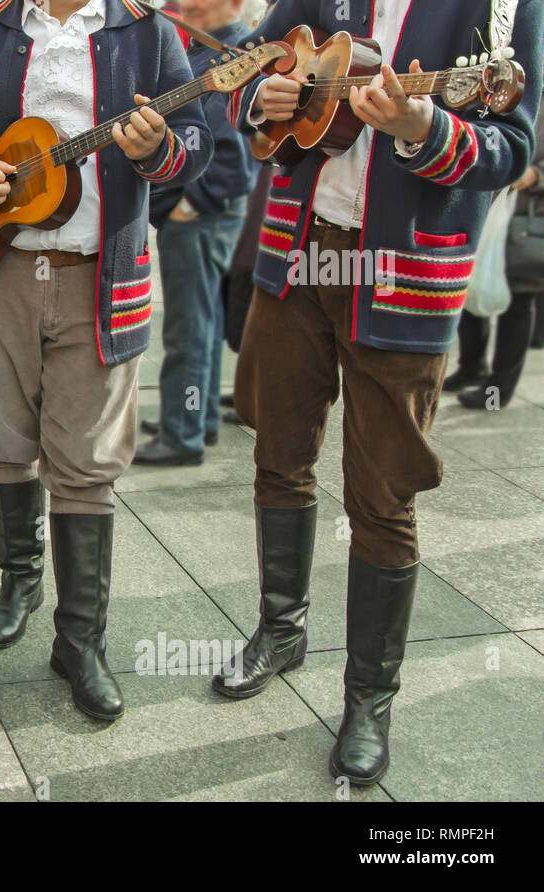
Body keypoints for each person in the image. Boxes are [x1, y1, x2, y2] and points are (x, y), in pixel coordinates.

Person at [214, 0, 542, 785]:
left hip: (404, 271)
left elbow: (514, 142)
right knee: (277, 455)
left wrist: (422, 129)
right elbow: (244, 70)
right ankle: (281, 629)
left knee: (384, 492)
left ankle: (369, 698)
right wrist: (265, 98)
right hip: (297, 251)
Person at [0, 0, 212, 721]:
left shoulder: (149, 30)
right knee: (2, 443)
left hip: (99, 275)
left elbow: (196, 145)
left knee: (87, 464)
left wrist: (157, 150)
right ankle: (19, 580)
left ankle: (80, 640)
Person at [136, 0, 257, 466]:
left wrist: (191, 206)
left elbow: (231, 159)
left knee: (189, 327)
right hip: (200, 211)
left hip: (201, 213)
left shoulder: (231, 54)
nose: (189, 4)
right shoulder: (215, 51)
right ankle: (196, 418)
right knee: (199, 323)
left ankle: (182, 432)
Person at [446, 107, 544, 409]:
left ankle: (498, 391)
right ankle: (471, 367)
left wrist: (534, 176)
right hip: (483, 207)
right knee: (470, 287)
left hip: (524, 218)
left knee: (518, 300)